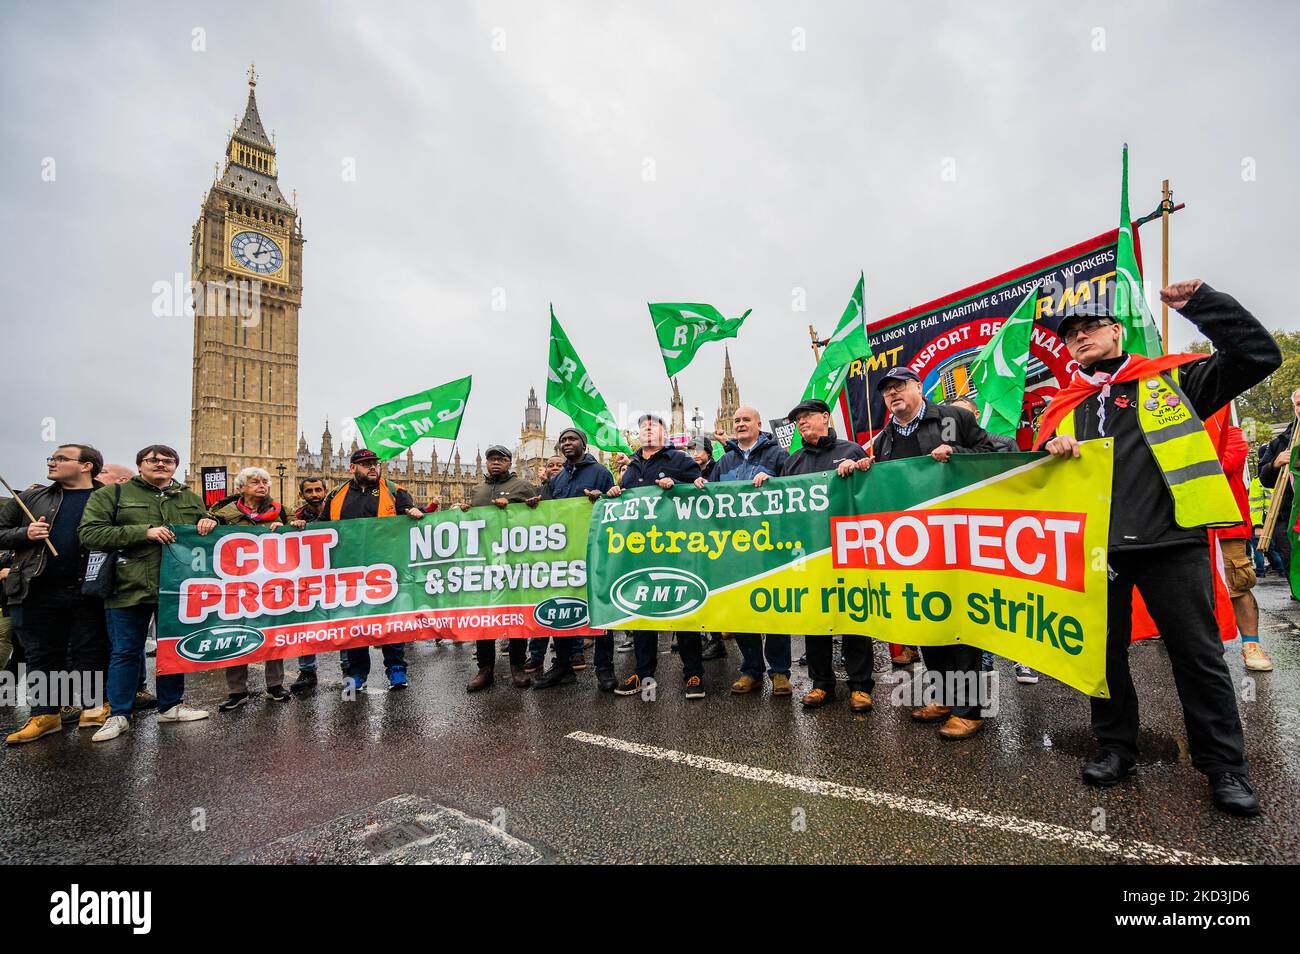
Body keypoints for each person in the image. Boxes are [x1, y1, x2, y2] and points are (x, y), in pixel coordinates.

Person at [1038, 280, 1279, 816]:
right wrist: (1048, 446)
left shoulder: (1173, 379)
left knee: (1198, 657)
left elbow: (1258, 354)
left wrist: (1203, 305)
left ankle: (1225, 768)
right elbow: (1034, 476)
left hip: (1172, 542)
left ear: (1117, 330)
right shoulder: (1062, 405)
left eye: (1090, 327)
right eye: (1071, 334)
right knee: (1102, 655)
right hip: (1097, 552)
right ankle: (1116, 747)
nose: (1080, 338)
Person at [853, 370, 999, 738]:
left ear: (918, 388)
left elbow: (996, 452)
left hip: (956, 539)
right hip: (914, 546)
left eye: (899, 386)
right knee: (928, 620)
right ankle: (946, 698)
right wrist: (865, 471)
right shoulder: (884, 437)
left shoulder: (954, 418)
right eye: (886, 390)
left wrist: (957, 452)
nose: (892, 394)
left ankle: (972, 709)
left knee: (962, 627)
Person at [78, 444, 217, 742]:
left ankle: (170, 706)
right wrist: (144, 532)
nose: (161, 464)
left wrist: (210, 523)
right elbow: (89, 534)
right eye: (153, 460)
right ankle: (119, 714)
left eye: (168, 461)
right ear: (140, 464)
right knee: (126, 651)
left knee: (173, 649)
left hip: (175, 587)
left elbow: (206, 536)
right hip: (128, 585)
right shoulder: (113, 495)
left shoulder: (190, 498)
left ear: (175, 466)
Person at [755, 398, 873, 712]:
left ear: (825, 417)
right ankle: (822, 684)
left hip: (847, 549)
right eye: (798, 420)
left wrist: (859, 472)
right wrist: (770, 484)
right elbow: (784, 504)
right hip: (808, 552)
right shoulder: (793, 461)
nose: (802, 423)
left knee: (854, 617)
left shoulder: (850, 451)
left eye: (807, 417)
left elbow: (871, 495)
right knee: (816, 619)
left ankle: (860, 686)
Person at [1, 445, 112, 743]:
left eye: (61, 459)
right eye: (51, 458)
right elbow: (1, 530)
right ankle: (45, 715)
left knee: (91, 650)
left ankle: (93, 706)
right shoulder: (31, 497)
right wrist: (24, 534)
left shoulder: (109, 498)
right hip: (36, 588)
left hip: (90, 587)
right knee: (42, 654)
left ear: (87, 466)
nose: (52, 463)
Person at [607, 413, 705, 700]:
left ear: (664, 432)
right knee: (642, 614)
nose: (648, 430)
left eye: (653, 426)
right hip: (640, 551)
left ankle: (693, 673)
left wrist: (678, 485)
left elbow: (703, 491)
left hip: (675, 549)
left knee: (683, 612)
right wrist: (617, 492)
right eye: (643, 427)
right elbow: (627, 502)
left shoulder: (680, 460)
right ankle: (643, 673)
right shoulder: (633, 465)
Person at [697, 406, 791, 697]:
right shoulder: (723, 462)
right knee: (741, 610)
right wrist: (701, 485)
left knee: (772, 608)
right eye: (736, 420)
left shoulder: (777, 455)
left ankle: (779, 672)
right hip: (735, 549)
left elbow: (793, 491)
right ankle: (751, 670)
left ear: (758, 424)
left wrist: (773, 483)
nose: (739, 424)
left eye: (745, 420)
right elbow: (711, 499)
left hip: (770, 547)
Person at [949, 396, 1038, 685]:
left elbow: (1020, 484)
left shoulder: (1002, 443)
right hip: (965, 537)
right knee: (978, 603)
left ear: (976, 414)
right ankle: (984, 661)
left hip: (1002, 532)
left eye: (964, 415)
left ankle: (1023, 659)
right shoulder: (943, 451)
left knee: (1013, 600)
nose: (959, 421)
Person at [321, 448, 425, 695]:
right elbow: (321, 528)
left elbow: (412, 514)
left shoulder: (393, 490)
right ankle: (357, 674)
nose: (372, 467)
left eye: (375, 464)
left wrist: (414, 513)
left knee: (391, 621)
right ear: (352, 467)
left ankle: (396, 669)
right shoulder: (336, 494)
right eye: (366, 464)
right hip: (350, 570)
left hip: (387, 568)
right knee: (355, 624)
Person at [530, 427, 615, 690]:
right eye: (563, 440)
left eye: (572, 439)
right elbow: (549, 514)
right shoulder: (558, 478)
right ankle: (563, 666)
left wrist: (601, 498)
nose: (567, 443)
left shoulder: (600, 472)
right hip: (564, 555)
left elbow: (616, 503)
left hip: (594, 551)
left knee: (601, 611)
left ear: (583, 444)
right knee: (561, 608)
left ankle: (604, 668)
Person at [207, 467, 292, 710]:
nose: (262, 486)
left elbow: (299, 537)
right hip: (235, 582)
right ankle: (237, 691)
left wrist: (293, 526)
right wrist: (205, 522)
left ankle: (275, 686)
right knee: (235, 634)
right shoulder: (223, 513)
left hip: (270, 582)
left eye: (265, 481)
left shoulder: (280, 511)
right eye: (255, 482)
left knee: (272, 632)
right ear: (241, 488)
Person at [462, 445, 541, 691]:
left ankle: (517, 667)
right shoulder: (477, 490)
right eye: (491, 459)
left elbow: (537, 514)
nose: (496, 462)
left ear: (510, 462)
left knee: (516, 615)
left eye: (501, 459)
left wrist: (515, 504)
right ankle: (485, 670)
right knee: (484, 617)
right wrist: (463, 512)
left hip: (514, 560)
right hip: (485, 562)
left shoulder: (523, 487)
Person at [1215, 425, 1274, 672]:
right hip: (1184, 526)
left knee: (1237, 585)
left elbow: (1220, 467)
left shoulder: (1233, 434)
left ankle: (1252, 644)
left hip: (1225, 526)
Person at [287, 475, 341, 692]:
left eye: (318, 490)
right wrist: (292, 527)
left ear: (325, 491)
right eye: (309, 491)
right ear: (301, 495)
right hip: (309, 579)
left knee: (343, 621)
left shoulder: (339, 512)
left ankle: (348, 670)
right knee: (306, 623)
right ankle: (307, 671)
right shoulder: (296, 516)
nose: (315, 495)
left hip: (339, 576)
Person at [1256, 387, 1300, 575]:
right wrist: (1275, 463)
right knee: (1294, 566)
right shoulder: (1281, 441)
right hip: (1289, 515)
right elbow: (1263, 478)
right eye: (1298, 404)